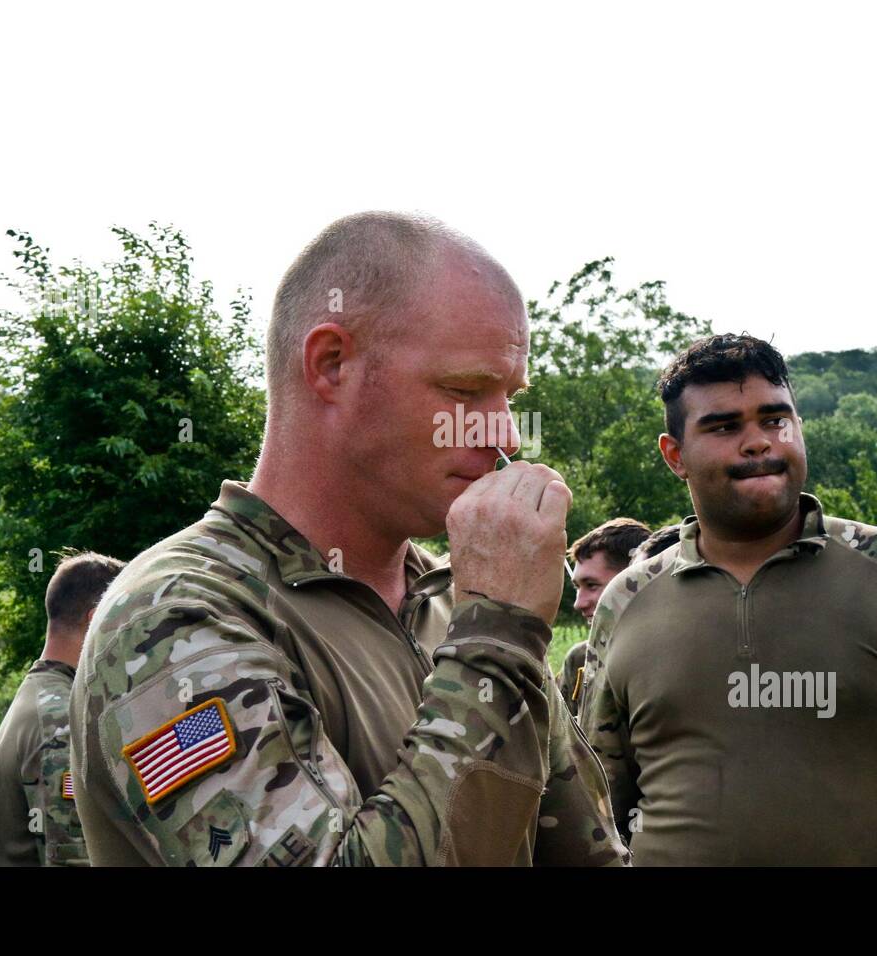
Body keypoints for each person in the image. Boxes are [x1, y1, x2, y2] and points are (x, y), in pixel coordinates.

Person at [69, 211, 627, 866]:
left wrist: (493, 629)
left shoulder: (458, 602)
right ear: (332, 364)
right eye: (466, 390)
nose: (505, 436)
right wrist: (497, 639)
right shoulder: (173, 617)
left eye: (509, 395)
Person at [579, 333, 877, 866]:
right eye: (725, 426)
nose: (758, 443)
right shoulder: (627, 599)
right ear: (675, 455)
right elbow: (599, 803)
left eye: (775, 420)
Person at [0, 550, 125, 866]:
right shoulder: (61, 721)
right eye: (123, 619)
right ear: (97, 618)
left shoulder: (40, 695)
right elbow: (70, 858)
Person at [557, 519, 654, 713]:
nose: (579, 603)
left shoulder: (671, 659)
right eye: (577, 587)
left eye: (592, 585)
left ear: (633, 582)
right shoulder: (579, 660)